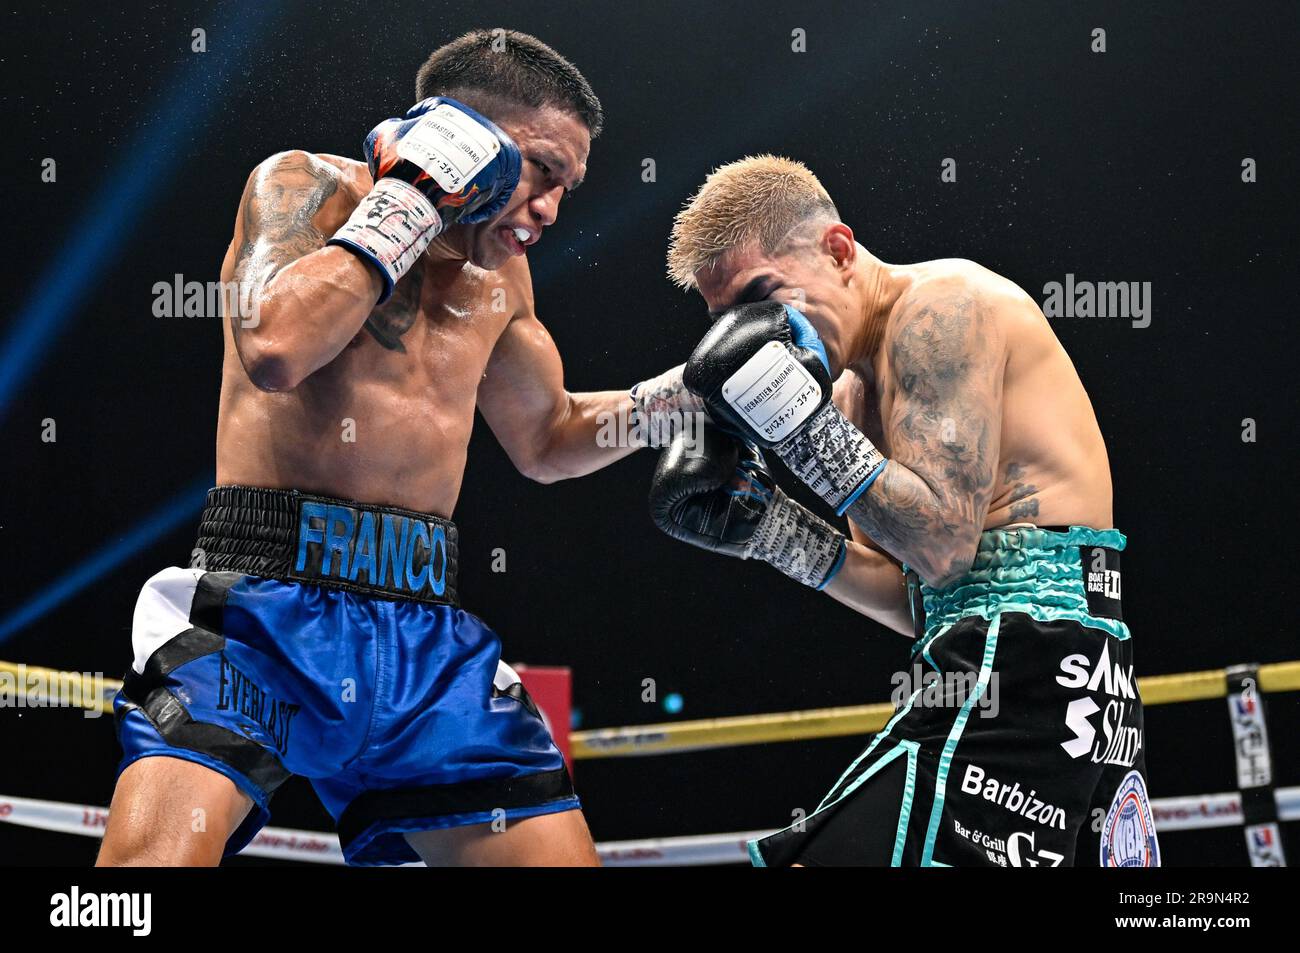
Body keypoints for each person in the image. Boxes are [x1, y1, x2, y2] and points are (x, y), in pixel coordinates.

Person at [97, 29, 701, 867]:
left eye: (569, 188)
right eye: (541, 172)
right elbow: (273, 347)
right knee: (143, 881)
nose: (552, 211)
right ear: (465, 134)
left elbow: (548, 437)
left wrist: (688, 402)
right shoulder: (305, 187)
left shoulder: (502, 280)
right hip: (258, 611)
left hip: (426, 638)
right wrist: (409, 203)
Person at [650, 155, 1159, 867]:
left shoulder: (942, 307)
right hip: (1035, 670)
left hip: (1022, 666)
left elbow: (944, 544)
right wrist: (770, 531)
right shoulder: (850, 398)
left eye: (764, 295)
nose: (758, 329)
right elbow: (919, 596)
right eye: (732, 318)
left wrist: (796, 425)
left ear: (838, 249)